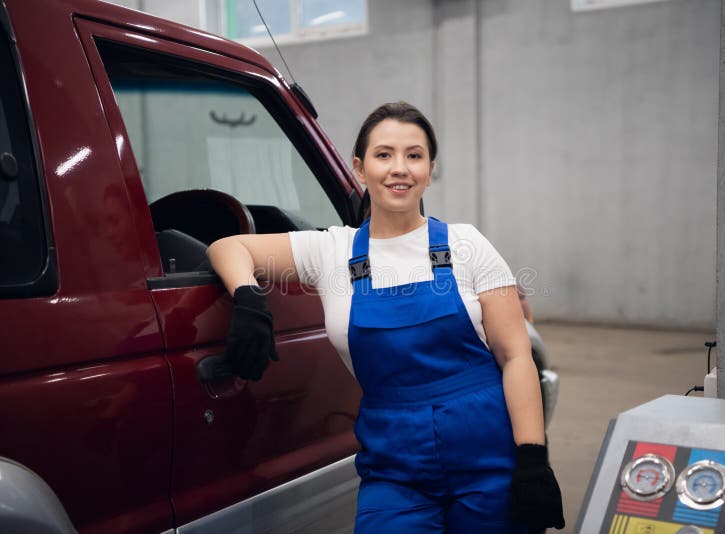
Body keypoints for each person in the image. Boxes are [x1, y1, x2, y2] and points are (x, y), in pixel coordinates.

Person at [207, 102, 564, 533]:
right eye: (384, 155)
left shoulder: (467, 245)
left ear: (430, 169)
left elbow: (515, 356)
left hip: (490, 460)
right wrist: (248, 298)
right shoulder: (331, 251)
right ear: (359, 168)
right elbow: (228, 246)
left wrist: (532, 458)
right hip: (396, 468)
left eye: (414, 155)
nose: (400, 168)